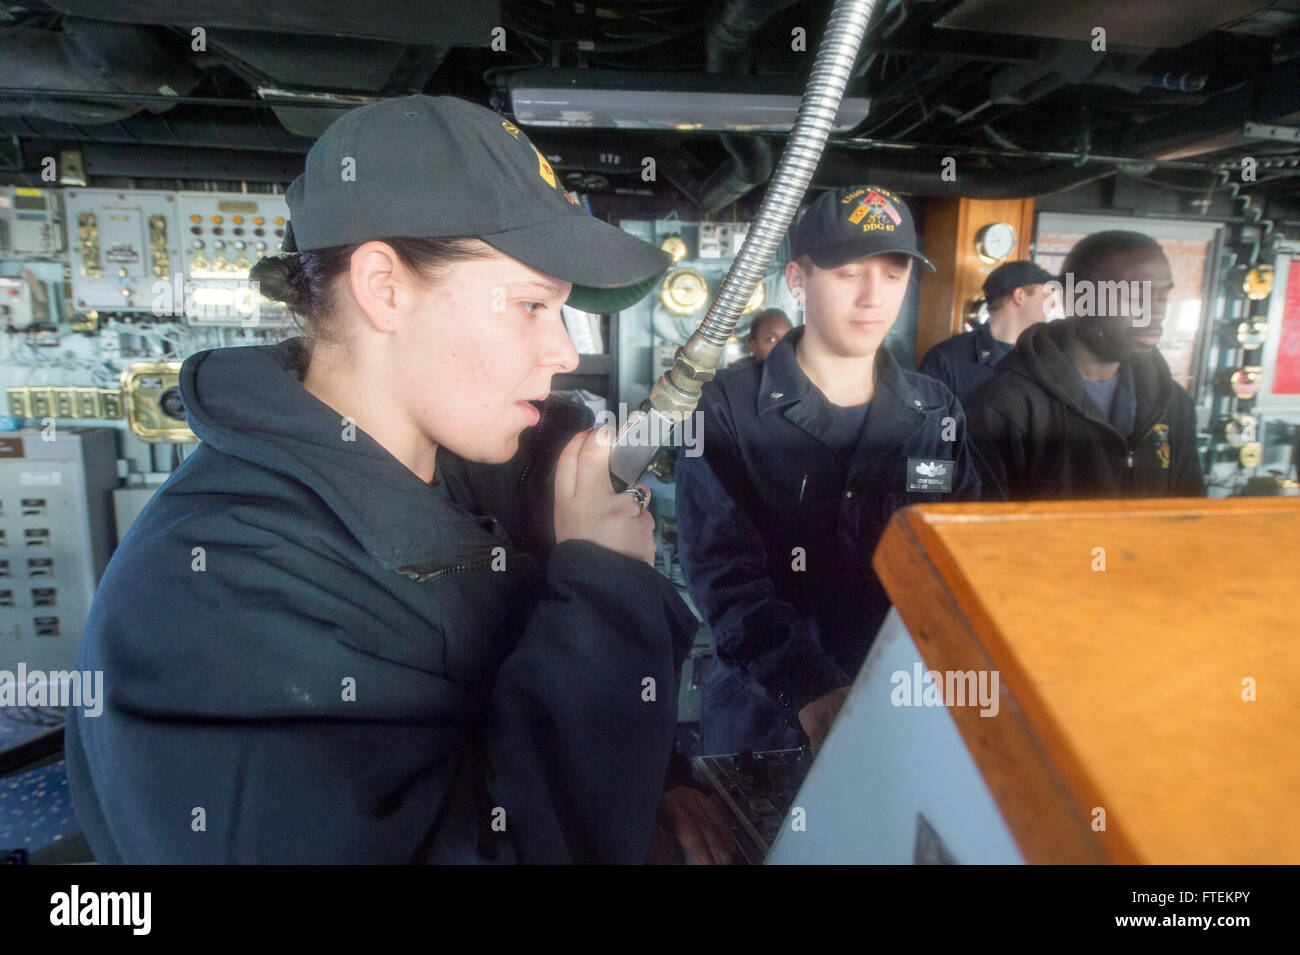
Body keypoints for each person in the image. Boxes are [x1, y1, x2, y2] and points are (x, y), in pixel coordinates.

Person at [63, 95, 719, 864]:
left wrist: (650, 775)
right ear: (383, 286)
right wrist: (604, 593)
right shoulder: (211, 591)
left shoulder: (467, 478)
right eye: (533, 305)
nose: (565, 351)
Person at [675, 185, 984, 757]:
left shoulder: (935, 410)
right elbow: (722, 576)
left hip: (900, 706)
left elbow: (962, 559)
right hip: (765, 717)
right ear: (797, 280)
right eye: (849, 272)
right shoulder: (727, 408)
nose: (873, 296)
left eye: (893, 275)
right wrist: (813, 690)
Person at [964, 230, 1204, 499]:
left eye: (1162, 297)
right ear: (1076, 300)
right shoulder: (1003, 409)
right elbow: (980, 534)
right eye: (1136, 296)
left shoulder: (1172, 405)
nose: (1156, 312)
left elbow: (1189, 520)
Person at [918, 260, 1055, 401]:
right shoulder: (945, 360)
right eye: (1047, 293)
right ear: (1020, 296)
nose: (1052, 302)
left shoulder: (1047, 359)